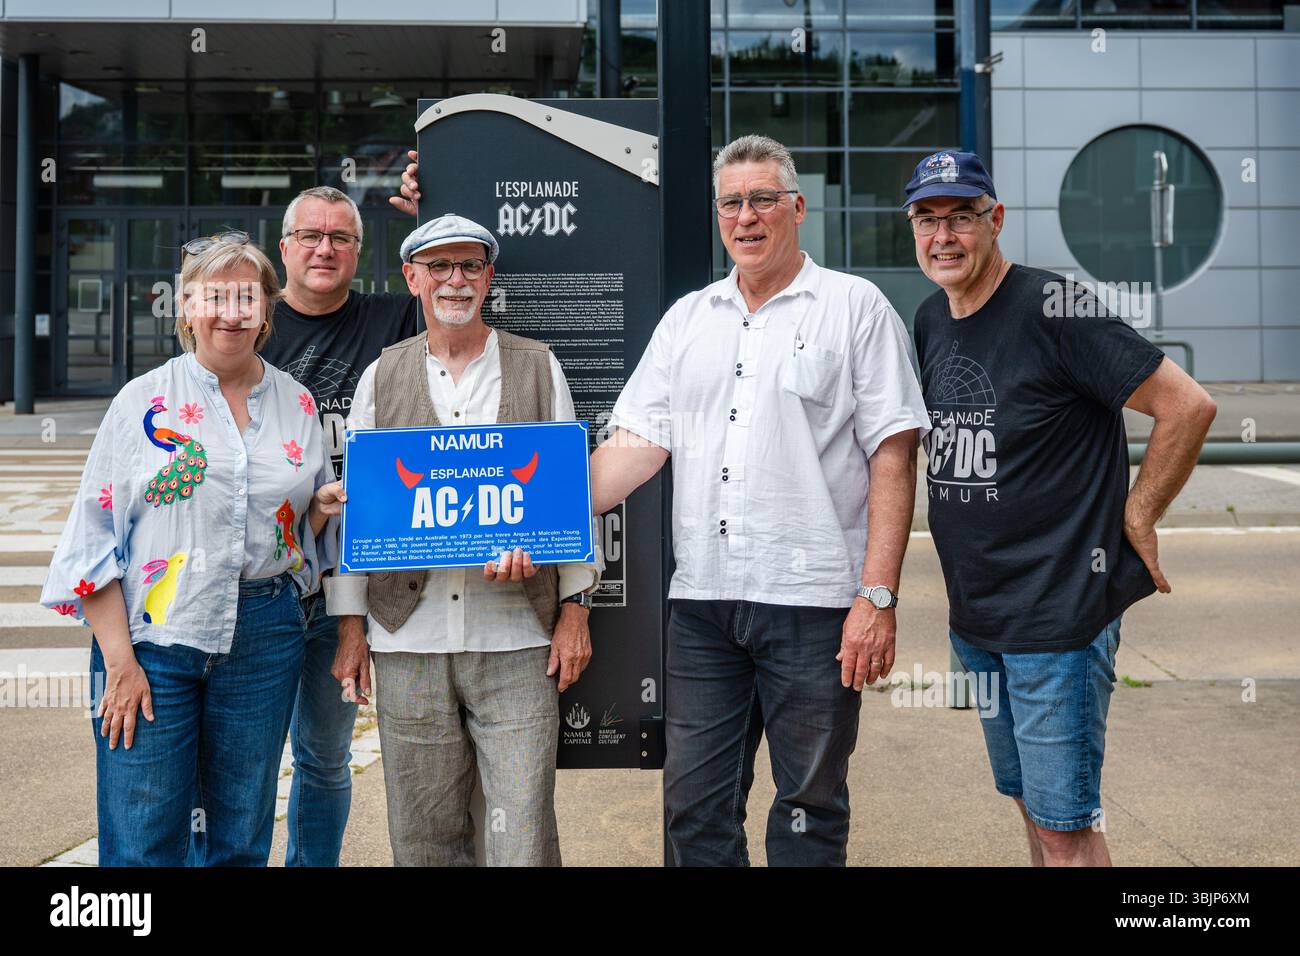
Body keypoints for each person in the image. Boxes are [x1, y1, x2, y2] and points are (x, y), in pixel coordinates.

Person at [588, 134, 930, 866]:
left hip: (814, 604)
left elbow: (894, 457)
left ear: (798, 208)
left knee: (809, 807)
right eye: (732, 203)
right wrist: (515, 511)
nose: (747, 216)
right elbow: (634, 448)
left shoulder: (855, 308)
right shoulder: (688, 320)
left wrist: (878, 596)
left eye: (763, 200)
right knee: (693, 809)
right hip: (705, 607)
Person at [904, 150, 1217, 866]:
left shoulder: (1055, 307)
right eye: (928, 219)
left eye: (961, 218)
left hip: (1057, 614)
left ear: (996, 220)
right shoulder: (929, 319)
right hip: (978, 620)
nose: (943, 236)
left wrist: (1139, 515)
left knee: (1065, 826)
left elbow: (1187, 406)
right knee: (1030, 805)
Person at [40, 236, 340, 866]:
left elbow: (295, 533)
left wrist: (318, 509)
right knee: (145, 833)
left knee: (239, 831)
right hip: (153, 638)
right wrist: (119, 663)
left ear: (265, 309)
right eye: (214, 296)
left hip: (264, 635)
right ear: (186, 308)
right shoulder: (139, 404)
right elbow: (91, 542)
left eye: (246, 296)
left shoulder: (299, 402)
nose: (230, 312)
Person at [321, 214, 601, 866]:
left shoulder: (538, 366)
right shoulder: (380, 378)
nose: (456, 279)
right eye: (439, 267)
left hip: (517, 645)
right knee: (422, 838)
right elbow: (359, 519)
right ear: (412, 278)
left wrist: (577, 608)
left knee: (521, 840)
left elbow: (570, 496)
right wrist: (349, 629)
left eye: (470, 265)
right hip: (407, 643)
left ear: (489, 277)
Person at [257, 184, 423, 867]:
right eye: (311, 236)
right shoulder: (249, 327)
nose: (325, 249)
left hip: (345, 584)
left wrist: (433, 207)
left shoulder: (394, 319)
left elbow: (461, 284)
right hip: (264, 584)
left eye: (342, 238)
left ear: (360, 249)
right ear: (285, 248)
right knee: (245, 759)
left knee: (324, 759)